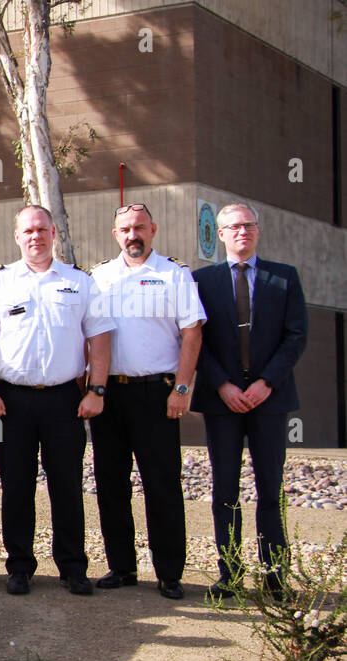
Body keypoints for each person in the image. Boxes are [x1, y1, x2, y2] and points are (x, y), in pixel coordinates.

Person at [0, 205, 115, 596]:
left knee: (67, 485)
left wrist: (97, 390)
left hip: (65, 399)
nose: (36, 237)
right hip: (11, 402)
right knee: (16, 485)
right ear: (17, 237)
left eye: (42, 230)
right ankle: (19, 566)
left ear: (54, 233)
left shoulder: (79, 281)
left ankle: (72, 567)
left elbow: (99, 336)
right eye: (28, 231)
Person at [88, 203, 205, 600]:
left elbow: (192, 334)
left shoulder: (174, 274)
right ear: (115, 233)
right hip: (109, 393)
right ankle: (121, 567)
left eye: (139, 227)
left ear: (153, 230)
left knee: (162, 485)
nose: (132, 235)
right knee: (110, 484)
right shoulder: (99, 277)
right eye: (125, 229)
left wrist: (183, 389)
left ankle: (170, 572)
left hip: (158, 394)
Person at [193, 202, 308, 599]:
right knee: (225, 489)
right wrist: (223, 384)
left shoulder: (284, 278)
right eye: (233, 226)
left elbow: (296, 337)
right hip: (221, 400)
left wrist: (265, 383)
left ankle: (276, 576)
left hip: (269, 401)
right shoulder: (201, 281)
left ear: (257, 231)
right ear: (220, 234)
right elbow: (196, 342)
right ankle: (231, 574)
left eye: (249, 225)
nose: (242, 231)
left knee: (270, 490)